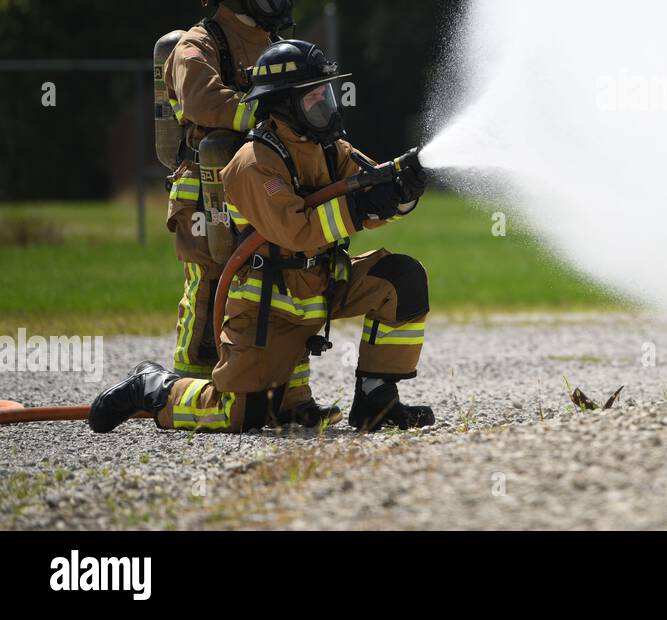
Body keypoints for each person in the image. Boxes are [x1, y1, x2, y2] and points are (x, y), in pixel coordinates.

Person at [90, 40, 435, 433]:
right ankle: (154, 388)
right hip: (268, 306)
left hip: (320, 288)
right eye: (314, 98)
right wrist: (364, 206)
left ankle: (376, 400)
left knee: (401, 278)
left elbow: (371, 191)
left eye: (327, 94)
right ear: (284, 105)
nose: (326, 106)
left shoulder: (328, 149)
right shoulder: (253, 162)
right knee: (240, 414)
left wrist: (403, 190)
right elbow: (298, 230)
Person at [163, 0, 332, 425]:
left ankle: (291, 398)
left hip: (264, 182)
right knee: (209, 282)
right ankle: (183, 387)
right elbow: (201, 100)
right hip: (207, 196)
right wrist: (265, 114)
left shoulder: (275, 47)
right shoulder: (198, 44)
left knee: (282, 280)